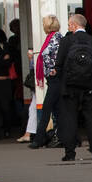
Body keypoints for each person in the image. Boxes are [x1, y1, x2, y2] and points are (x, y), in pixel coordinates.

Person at [53, 13, 92, 162]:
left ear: (74, 25)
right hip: (91, 86)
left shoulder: (66, 41)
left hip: (70, 87)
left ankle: (70, 153)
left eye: (69, 25)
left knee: (69, 118)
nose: (68, 27)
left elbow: (59, 64)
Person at [29, 14, 63, 149]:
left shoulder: (56, 38)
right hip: (52, 78)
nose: (43, 26)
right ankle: (67, 137)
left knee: (46, 108)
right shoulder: (51, 38)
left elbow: (57, 56)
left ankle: (38, 139)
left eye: (44, 24)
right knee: (58, 110)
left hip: (55, 79)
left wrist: (55, 69)